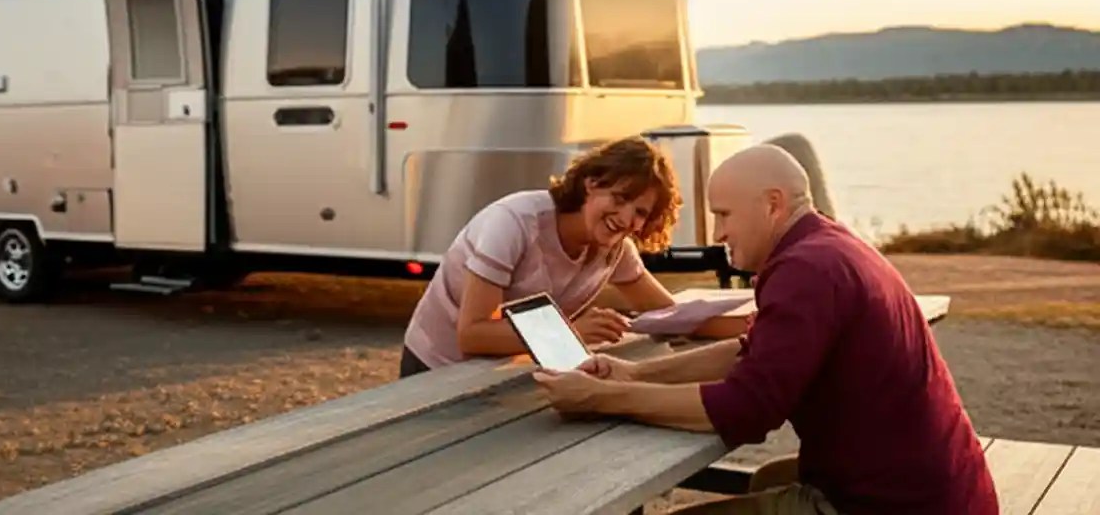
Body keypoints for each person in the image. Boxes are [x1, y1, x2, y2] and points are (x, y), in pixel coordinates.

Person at [532, 144, 998, 515]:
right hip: (943, 490)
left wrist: (601, 398)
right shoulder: (830, 246)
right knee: (767, 480)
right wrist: (634, 374)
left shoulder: (806, 270)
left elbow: (746, 410)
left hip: (894, 506)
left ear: (773, 205)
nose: (718, 233)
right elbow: (750, 350)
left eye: (724, 214)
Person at [399, 136, 684, 378]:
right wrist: (571, 333)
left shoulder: (615, 248)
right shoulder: (514, 223)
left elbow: (667, 313)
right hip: (436, 367)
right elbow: (473, 335)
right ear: (591, 183)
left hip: (502, 371)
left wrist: (707, 325)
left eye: (640, 212)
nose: (625, 218)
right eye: (619, 198)